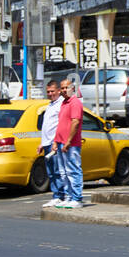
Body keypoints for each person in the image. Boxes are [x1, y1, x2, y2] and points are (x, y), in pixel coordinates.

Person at [54, 74, 85, 209]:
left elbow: (75, 122)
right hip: (61, 142)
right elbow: (60, 123)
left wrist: (68, 141)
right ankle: (69, 196)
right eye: (62, 88)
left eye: (67, 87)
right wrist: (56, 141)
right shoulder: (63, 103)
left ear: (72, 88)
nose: (64, 90)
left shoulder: (75, 102)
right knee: (63, 172)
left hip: (71, 144)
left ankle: (77, 198)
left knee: (73, 170)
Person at [39, 79, 66, 208]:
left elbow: (61, 124)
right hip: (46, 143)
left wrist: (56, 141)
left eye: (52, 91)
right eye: (48, 92)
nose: (50, 94)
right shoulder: (50, 105)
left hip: (54, 143)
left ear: (59, 91)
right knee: (50, 171)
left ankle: (60, 195)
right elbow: (47, 126)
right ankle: (56, 195)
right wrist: (41, 143)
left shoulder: (61, 104)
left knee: (57, 170)